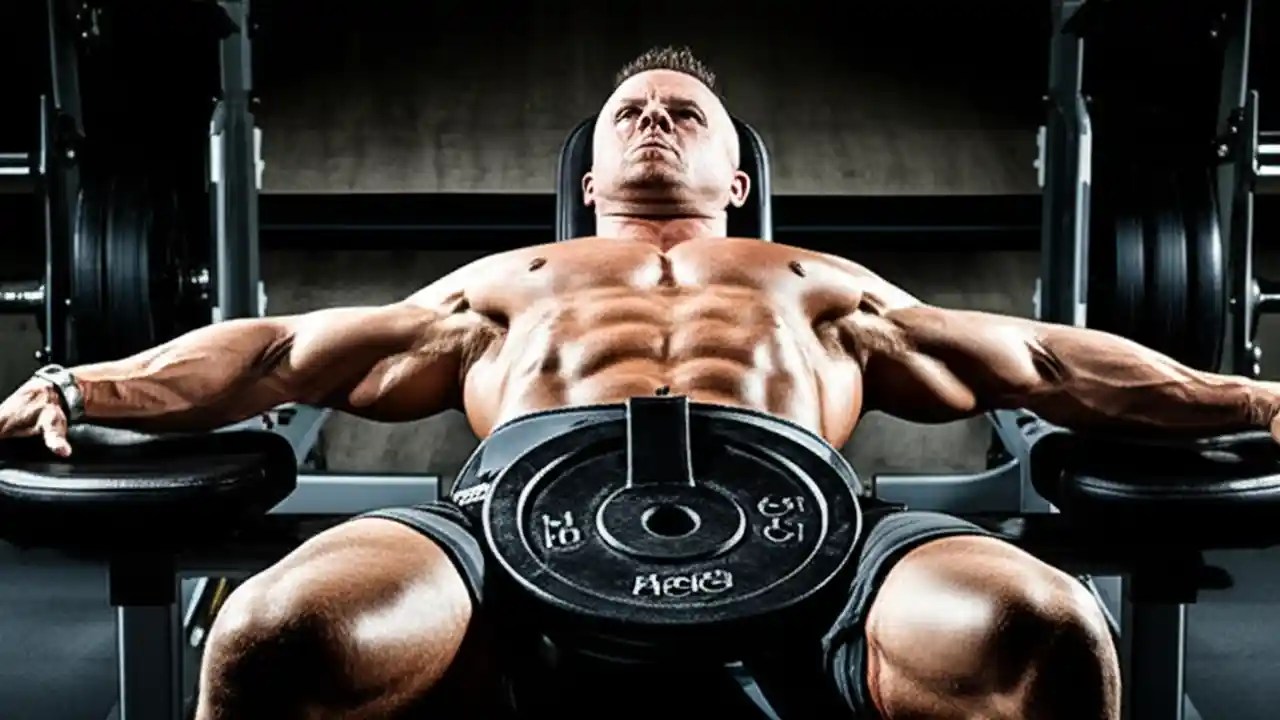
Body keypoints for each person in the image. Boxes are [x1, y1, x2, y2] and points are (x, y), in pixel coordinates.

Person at [1, 45, 1277, 720]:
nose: (652, 120)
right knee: (270, 637)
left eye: (683, 112)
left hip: (813, 533)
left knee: (1049, 635)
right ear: (591, 179)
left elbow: (1045, 362)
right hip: (507, 528)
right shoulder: (510, 279)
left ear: (735, 178)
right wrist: (90, 381)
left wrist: (1257, 402)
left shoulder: (823, 281)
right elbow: (281, 355)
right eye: (627, 113)